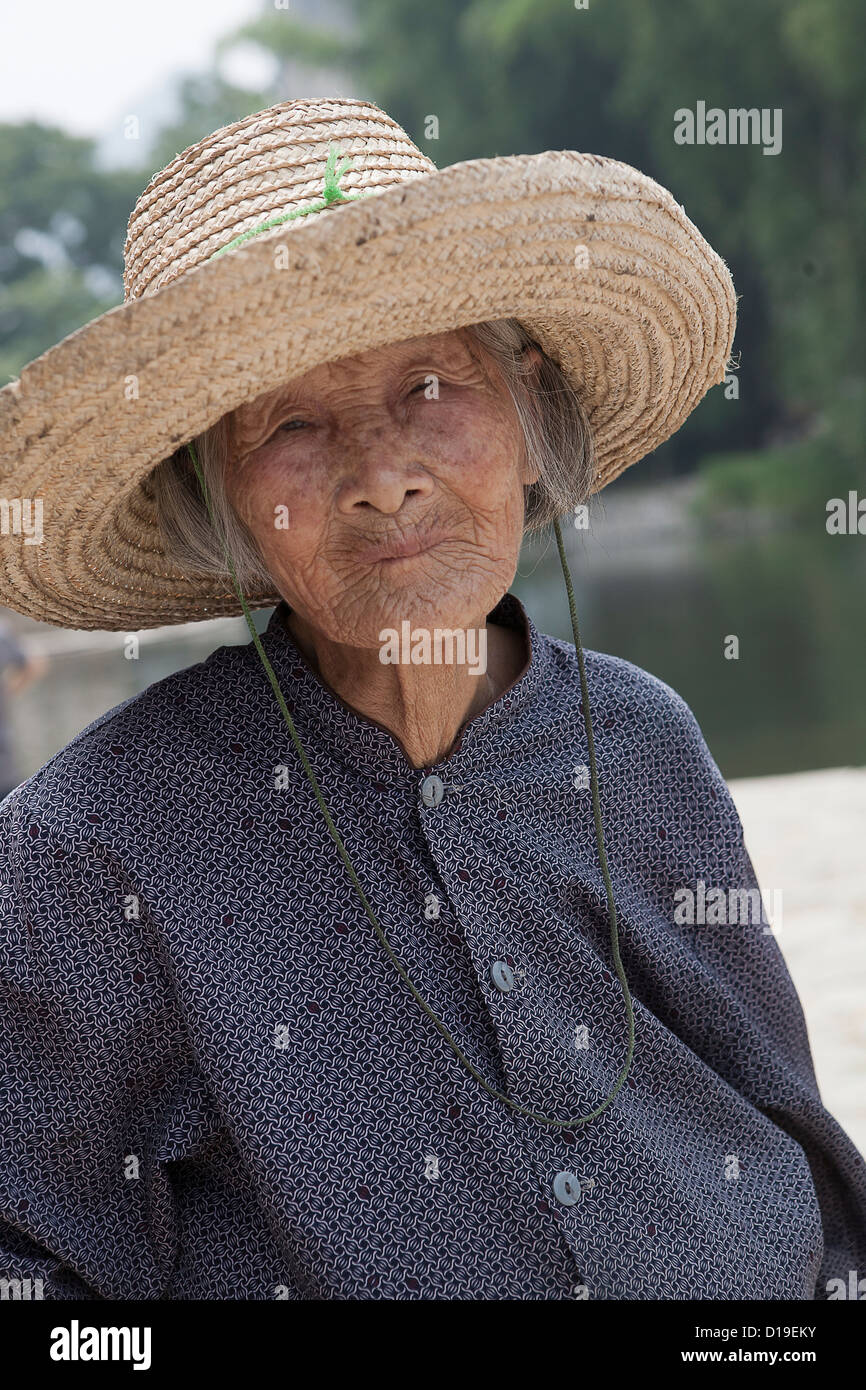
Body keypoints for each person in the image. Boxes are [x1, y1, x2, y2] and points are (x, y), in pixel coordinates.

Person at [0, 97, 863, 1301]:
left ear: (521, 409)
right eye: (291, 424)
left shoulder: (639, 737)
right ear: (221, 501)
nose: (380, 477)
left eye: (427, 385)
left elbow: (799, 1154)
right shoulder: (97, 841)